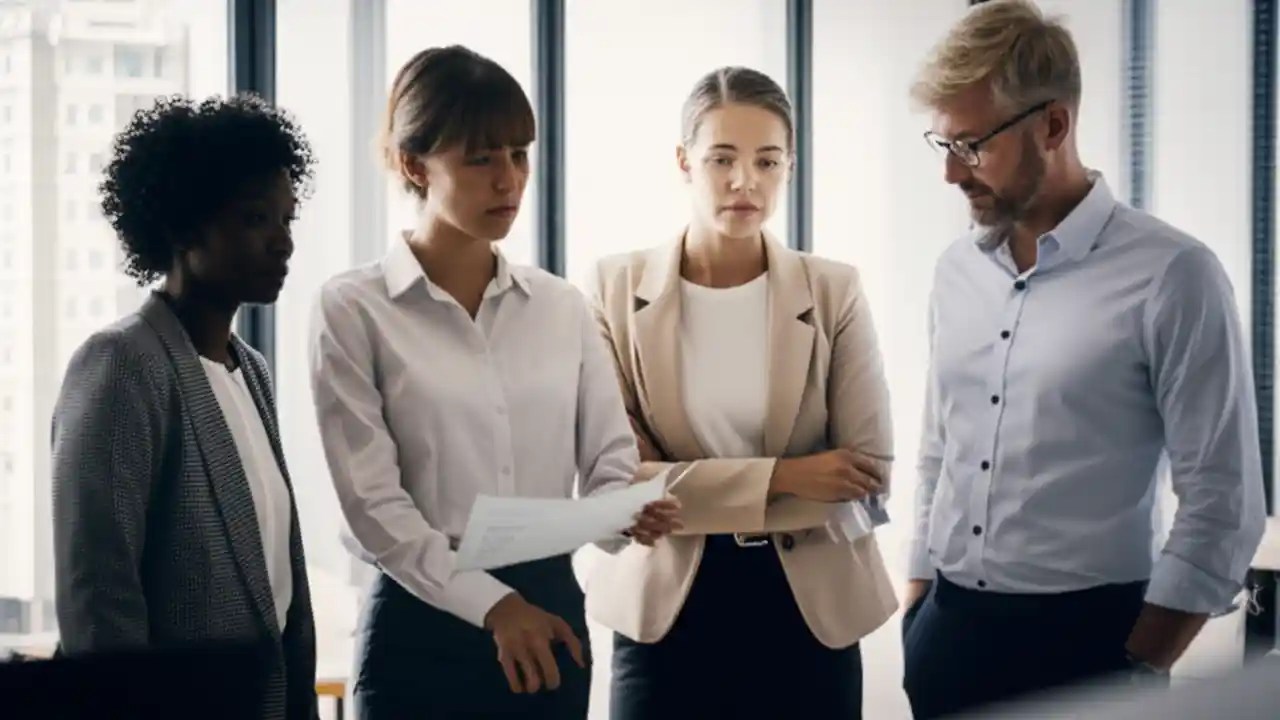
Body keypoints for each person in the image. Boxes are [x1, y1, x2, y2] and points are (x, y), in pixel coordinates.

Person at [902, 2, 1267, 718]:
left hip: (1091, 648)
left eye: (971, 145)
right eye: (940, 144)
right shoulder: (955, 272)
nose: (950, 174)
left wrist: (1137, 664)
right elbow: (938, 452)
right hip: (948, 639)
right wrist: (918, 610)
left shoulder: (1173, 275)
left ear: (1054, 126)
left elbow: (1224, 500)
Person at [309, 45, 680, 719]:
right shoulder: (353, 308)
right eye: (480, 159)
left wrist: (626, 512)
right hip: (421, 624)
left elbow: (609, 464)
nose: (509, 181)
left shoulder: (561, 306)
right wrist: (496, 606)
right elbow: (376, 510)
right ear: (412, 163)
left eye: (519, 154)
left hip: (550, 619)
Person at [586, 66, 898, 720]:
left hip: (807, 609)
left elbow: (865, 473)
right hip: (664, 611)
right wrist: (790, 476)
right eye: (721, 158)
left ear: (790, 166)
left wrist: (681, 483)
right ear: (683, 161)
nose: (744, 182)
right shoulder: (613, 289)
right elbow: (615, 487)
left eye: (767, 161)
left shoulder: (833, 291)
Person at [50, 94, 320, 720]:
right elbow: (99, 600)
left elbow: (273, 585)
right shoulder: (120, 365)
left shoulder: (249, 370)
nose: (283, 244)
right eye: (257, 219)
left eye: (288, 219)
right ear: (183, 228)